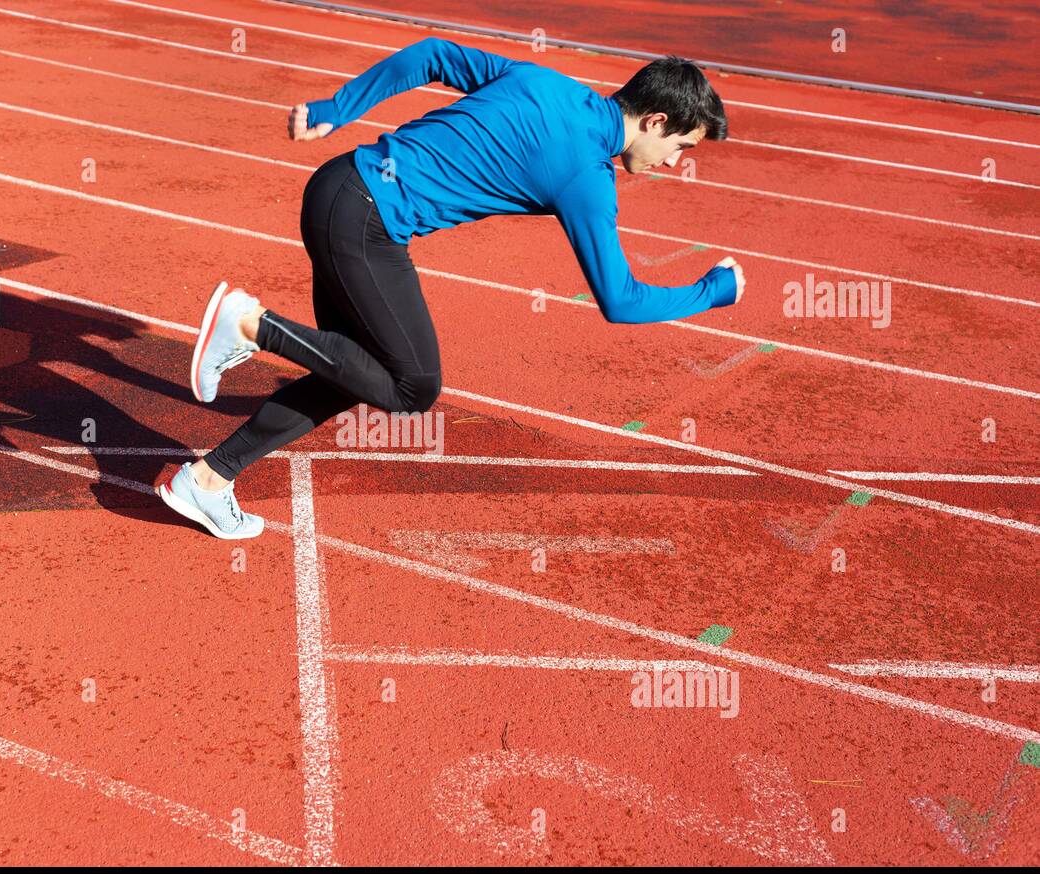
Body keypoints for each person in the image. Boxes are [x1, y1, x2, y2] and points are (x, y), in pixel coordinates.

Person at [158, 39, 746, 539]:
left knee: (352, 369)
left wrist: (339, 107)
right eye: (680, 149)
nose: (674, 163)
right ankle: (251, 324)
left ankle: (208, 479)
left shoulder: (545, 81)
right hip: (365, 221)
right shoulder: (588, 176)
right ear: (656, 122)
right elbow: (621, 301)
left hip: (338, 188)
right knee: (414, 386)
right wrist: (712, 292)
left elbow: (432, 54)